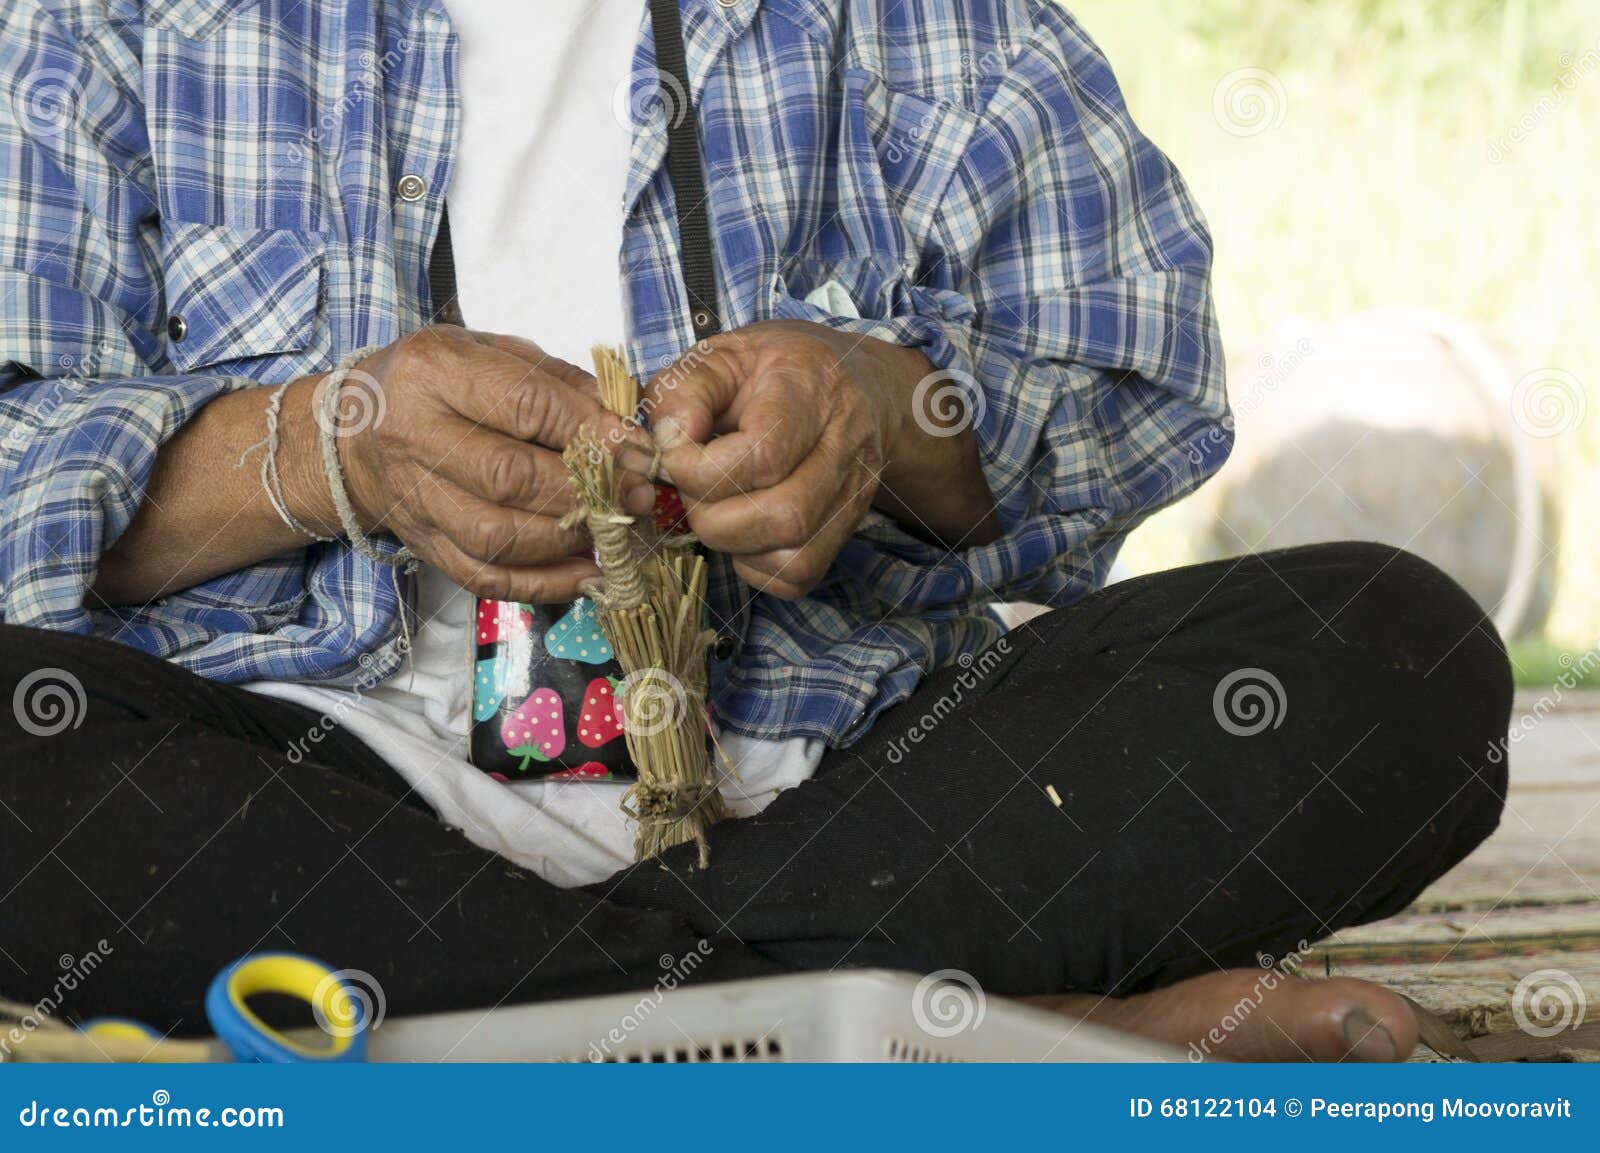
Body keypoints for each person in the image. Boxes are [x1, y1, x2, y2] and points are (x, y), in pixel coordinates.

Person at [0, 0, 1508, 1060]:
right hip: (319, 799)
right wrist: (314, 449)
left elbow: (1138, 375)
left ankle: (566, 1034)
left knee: (1395, 656)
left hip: (849, 797)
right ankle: (950, 1029)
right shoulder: (107, 22)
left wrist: (879, 409)